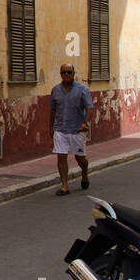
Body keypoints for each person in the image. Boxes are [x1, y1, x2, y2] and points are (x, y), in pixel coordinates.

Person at [50, 62, 96, 196]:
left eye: (69, 72)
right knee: (61, 157)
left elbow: (89, 108)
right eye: (63, 72)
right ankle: (64, 186)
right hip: (60, 128)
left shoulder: (82, 89)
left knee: (80, 158)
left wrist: (85, 122)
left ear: (73, 74)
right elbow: (52, 110)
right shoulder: (55, 90)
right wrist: (50, 127)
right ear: (60, 74)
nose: (66, 75)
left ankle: (84, 173)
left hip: (77, 129)